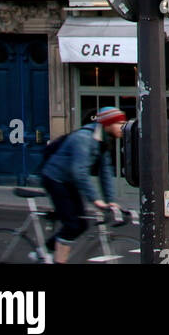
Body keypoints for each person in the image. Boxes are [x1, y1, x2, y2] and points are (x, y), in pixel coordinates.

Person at [39, 106, 126, 263]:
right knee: (72, 224)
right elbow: (80, 172)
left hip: (69, 181)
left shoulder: (104, 141)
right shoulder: (84, 139)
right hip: (55, 179)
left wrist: (110, 200)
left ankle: (45, 250)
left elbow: (105, 172)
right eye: (119, 123)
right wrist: (96, 200)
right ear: (108, 124)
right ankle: (51, 255)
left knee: (81, 224)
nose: (123, 127)